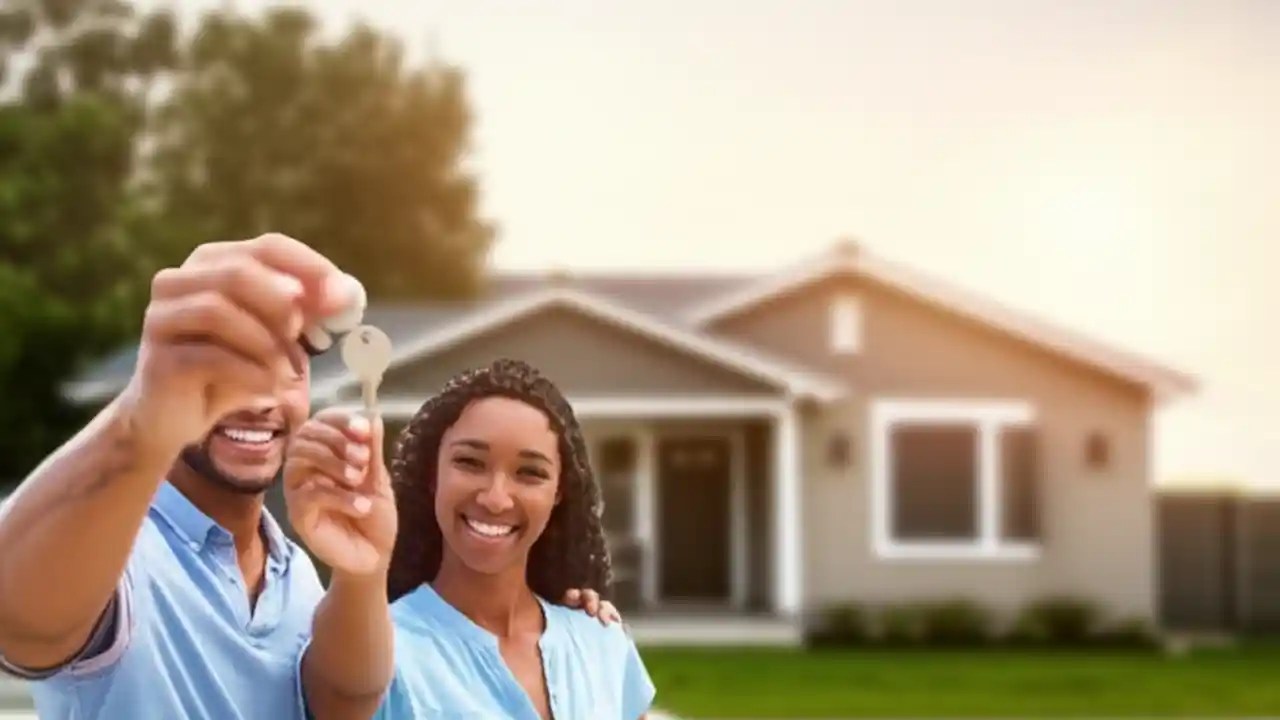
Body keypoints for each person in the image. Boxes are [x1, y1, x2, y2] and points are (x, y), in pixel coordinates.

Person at [0, 235, 616, 720]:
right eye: (233, 367)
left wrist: (362, 570)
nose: (259, 399)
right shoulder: (120, 540)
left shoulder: (291, 570)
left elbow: (343, 704)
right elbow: (19, 623)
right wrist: (139, 423)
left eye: (287, 369)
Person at [286, 358, 656, 720]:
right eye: (469, 462)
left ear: (559, 491)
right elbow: (342, 697)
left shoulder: (601, 641)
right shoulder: (377, 651)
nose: (495, 498)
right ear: (433, 474)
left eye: (530, 472)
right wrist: (361, 569)